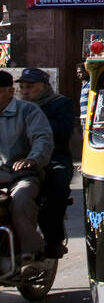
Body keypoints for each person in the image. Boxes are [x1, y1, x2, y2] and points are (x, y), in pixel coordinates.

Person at [17, 67, 77, 257]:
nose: (25, 91)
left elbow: (63, 131)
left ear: (43, 86)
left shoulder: (61, 103)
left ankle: (53, 240)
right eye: (23, 87)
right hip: (20, 160)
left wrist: (36, 121)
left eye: (30, 87)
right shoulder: (16, 108)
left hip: (54, 158)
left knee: (57, 188)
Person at [0, 68, 54, 261]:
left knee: (21, 200)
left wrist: (32, 159)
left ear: (10, 92)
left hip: (22, 176)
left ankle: (30, 252)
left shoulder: (28, 111)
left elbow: (42, 139)